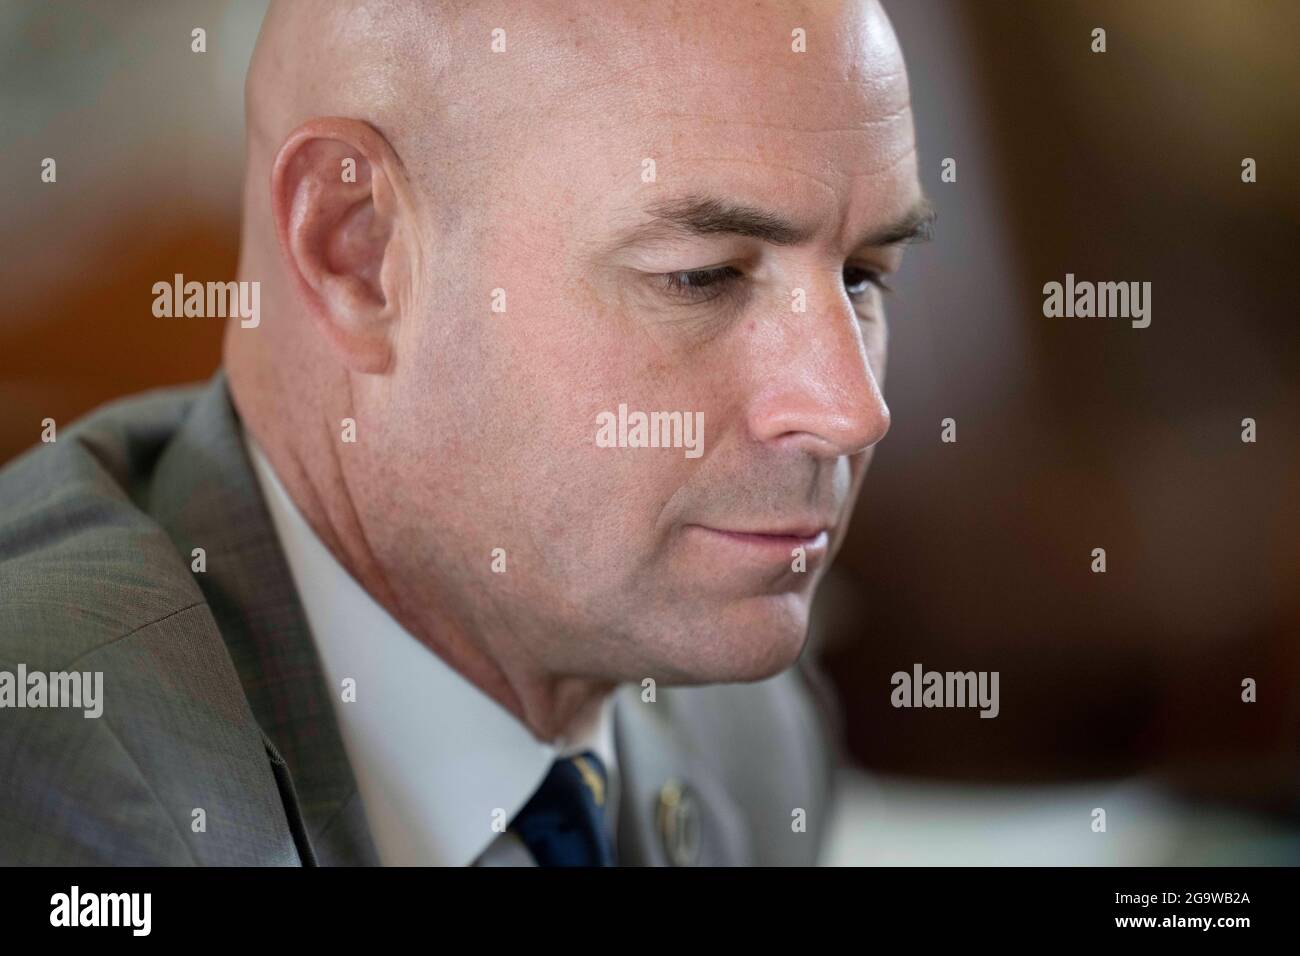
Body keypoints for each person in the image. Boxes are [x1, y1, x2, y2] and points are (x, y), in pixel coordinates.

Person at [0, 0, 929, 865]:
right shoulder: (54, 752)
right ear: (356, 252)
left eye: (862, 276)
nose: (851, 411)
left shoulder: (751, 732)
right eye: (703, 276)